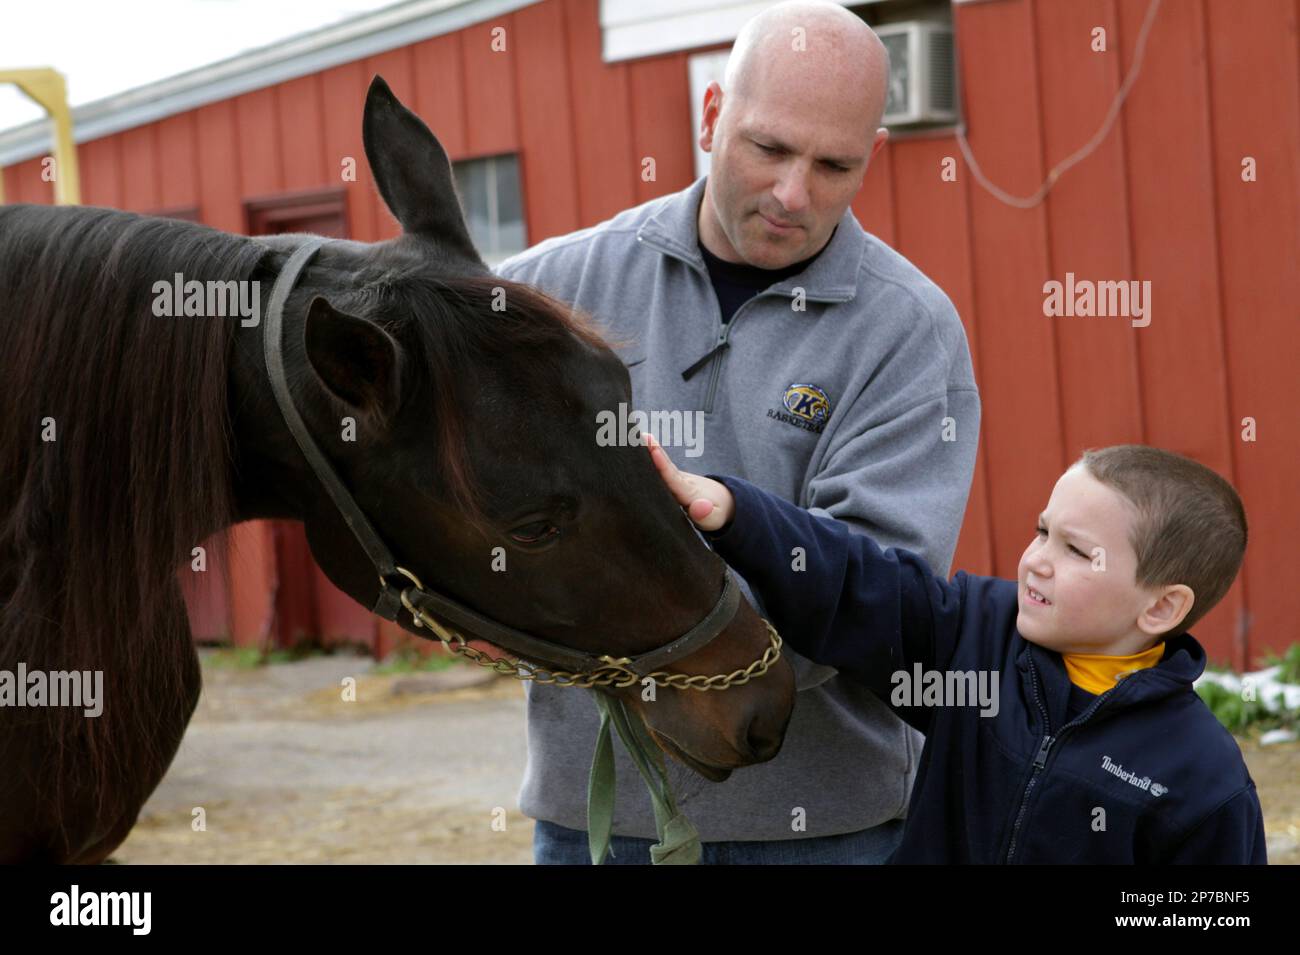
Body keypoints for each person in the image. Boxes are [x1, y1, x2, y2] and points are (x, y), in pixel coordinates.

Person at [496, 0, 980, 864]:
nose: (794, 195)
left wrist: (627, 634)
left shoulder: (910, 330)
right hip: (596, 822)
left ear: (871, 158)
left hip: (825, 829)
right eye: (770, 148)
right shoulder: (548, 292)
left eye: (834, 165)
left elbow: (876, 587)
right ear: (712, 115)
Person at [647, 434, 1267, 863]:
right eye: (1042, 532)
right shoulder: (972, 638)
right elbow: (860, 583)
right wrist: (734, 513)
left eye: (1076, 552)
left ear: (1161, 607)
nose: (1037, 563)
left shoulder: (1200, 774)